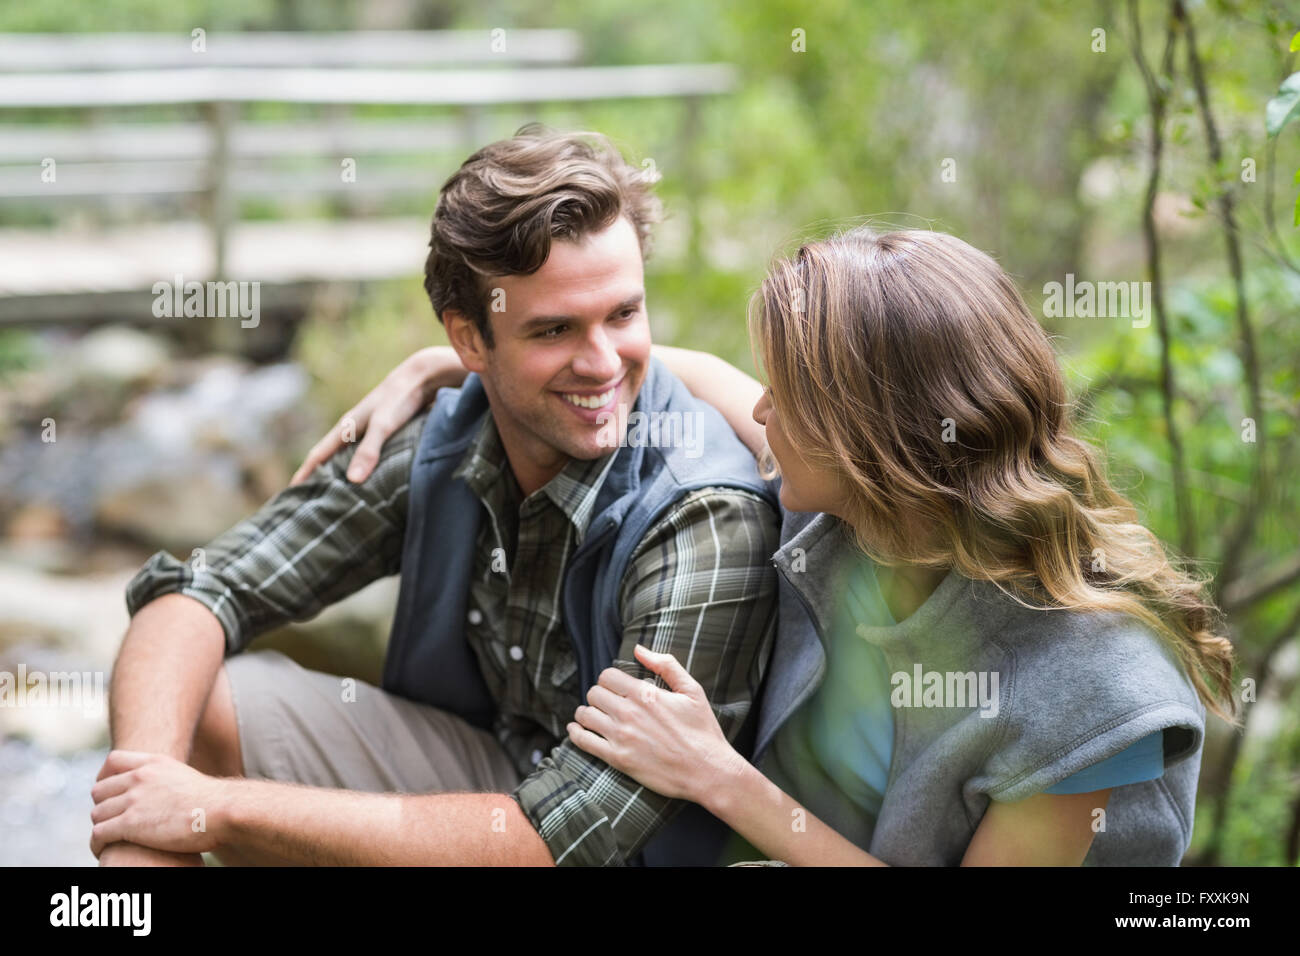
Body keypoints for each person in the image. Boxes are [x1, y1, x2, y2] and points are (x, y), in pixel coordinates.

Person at [307, 225, 1240, 865]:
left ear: (872, 435)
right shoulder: (857, 512)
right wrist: (468, 360)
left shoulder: (1091, 691)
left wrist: (720, 779)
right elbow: (671, 369)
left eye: (786, 397)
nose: (756, 411)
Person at [91, 125, 782, 867]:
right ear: (470, 342)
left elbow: (568, 836)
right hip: (492, 781)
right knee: (206, 702)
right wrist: (144, 811)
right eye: (555, 329)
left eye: (623, 314)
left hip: (612, 850)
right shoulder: (442, 436)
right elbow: (202, 589)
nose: (603, 363)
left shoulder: (703, 515)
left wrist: (212, 811)